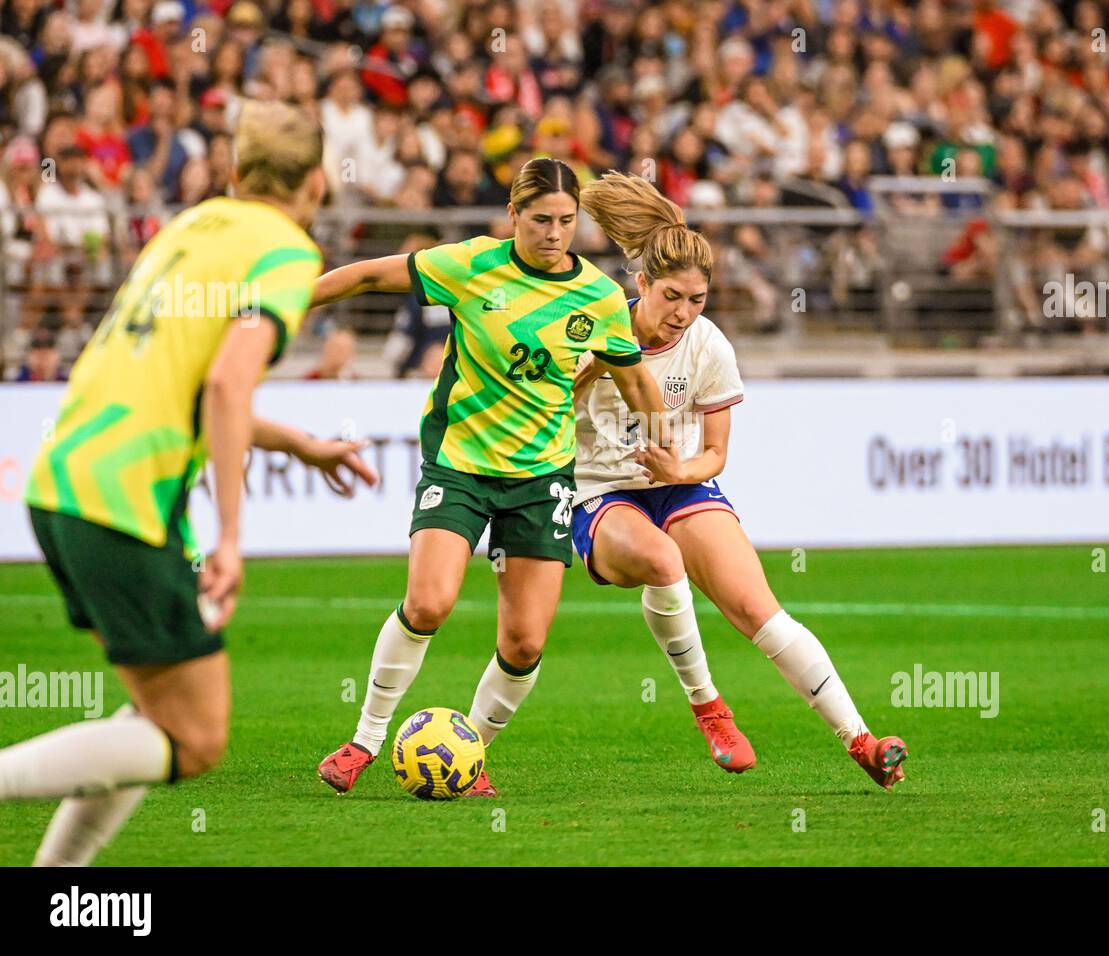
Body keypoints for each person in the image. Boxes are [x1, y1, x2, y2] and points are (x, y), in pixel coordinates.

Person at [0, 101, 379, 866]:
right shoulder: (285, 251)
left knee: (152, 713)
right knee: (197, 738)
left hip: (65, 482)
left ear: (236, 173)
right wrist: (233, 539)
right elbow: (226, 384)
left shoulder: (190, 228)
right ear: (315, 183)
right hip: (123, 502)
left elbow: (177, 375)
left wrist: (299, 444)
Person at [313, 157, 668, 797]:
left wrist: (665, 441)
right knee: (429, 602)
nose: (555, 232)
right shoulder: (470, 265)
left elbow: (634, 376)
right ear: (513, 215)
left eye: (566, 221)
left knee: (525, 644)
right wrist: (281, 304)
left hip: (541, 479)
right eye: (541, 220)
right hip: (461, 464)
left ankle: (467, 755)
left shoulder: (601, 297)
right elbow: (368, 275)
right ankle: (363, 741)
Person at [570, 171, 908, 790]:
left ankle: (861, 740)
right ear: (640, 283)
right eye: (671, 296)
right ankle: (710, 710)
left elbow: (716, 455)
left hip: (678, 485)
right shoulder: (589, 327)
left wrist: (680, 470)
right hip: (600, 491)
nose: (682, 313)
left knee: (760, 609)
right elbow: (546, 415)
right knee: (662, 560)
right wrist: (589, 371)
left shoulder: (709, 346)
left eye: (697, 300)